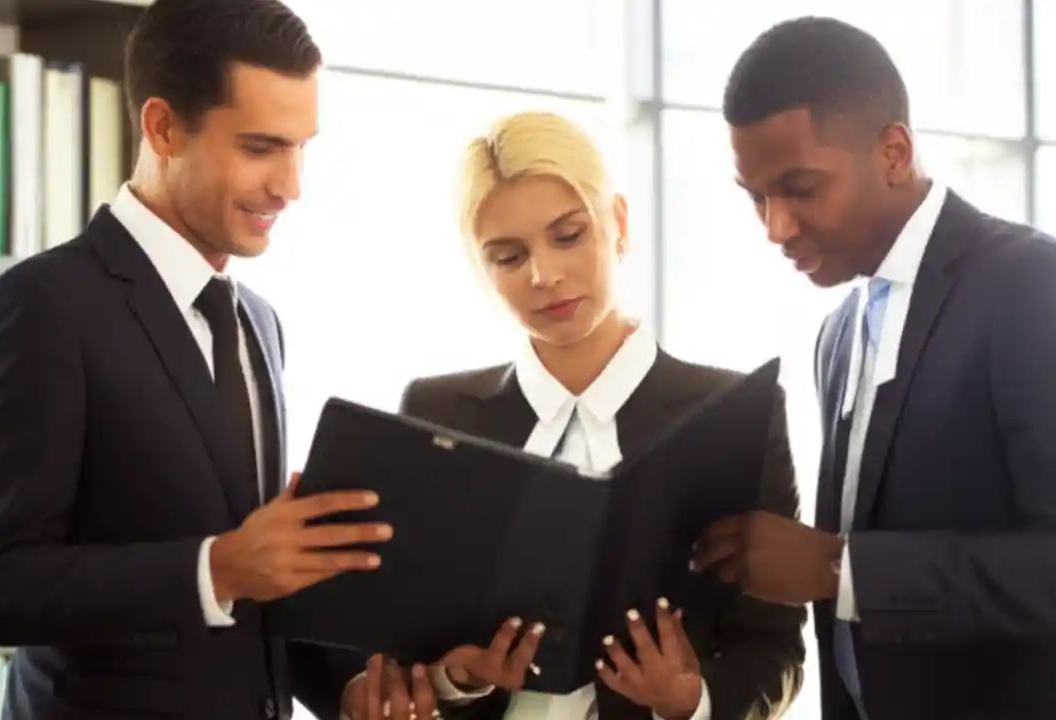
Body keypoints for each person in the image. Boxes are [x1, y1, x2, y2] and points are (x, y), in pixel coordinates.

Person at [0, 2, 417, 719]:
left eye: (301, 148)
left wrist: (348, 691)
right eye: (261, 148)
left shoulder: (259, 322)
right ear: (163, 127)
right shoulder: (41, 308)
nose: (292, 186)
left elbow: (252, 599)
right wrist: (217, 566)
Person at [691, 16, 1056, 720]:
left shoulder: (1043, 288)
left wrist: (832, 567)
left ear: (893, 151)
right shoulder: (838, 334)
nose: (775, 227)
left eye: (800, 188)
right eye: (756, 196)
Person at [345, 111, 806, 720]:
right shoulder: (437, 415)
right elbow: (404, 645)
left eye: (567, 235)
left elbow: (775, 647)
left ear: (617, 223)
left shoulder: (731, 418)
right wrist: (456, 677)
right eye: (509, 257)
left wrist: (691, 702)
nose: (545, 275)